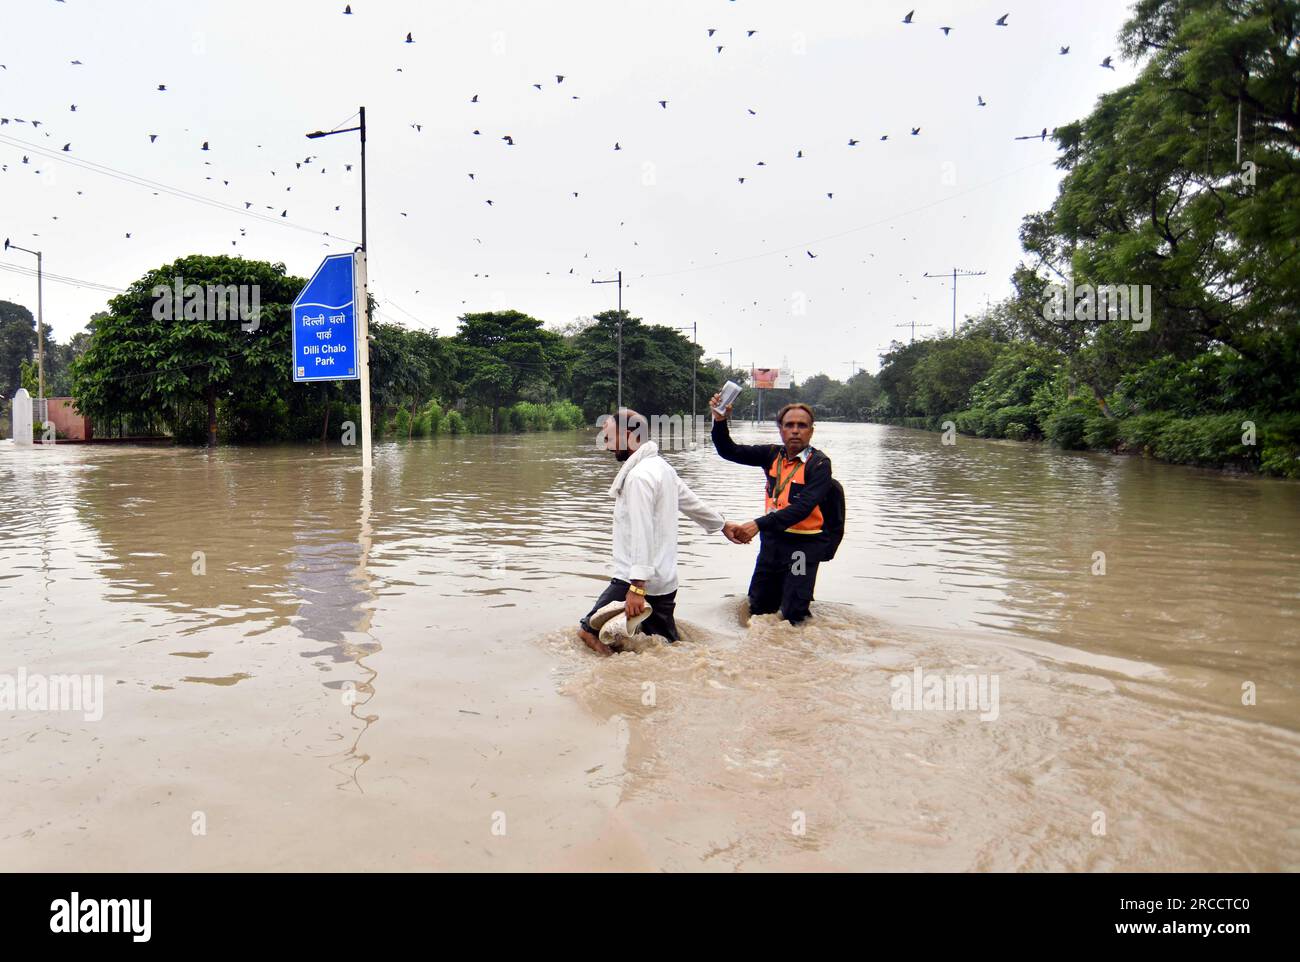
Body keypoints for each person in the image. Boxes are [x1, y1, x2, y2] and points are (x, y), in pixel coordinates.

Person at [578, 409, 748, 656]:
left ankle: (616, 676)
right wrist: (722, 524)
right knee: (663, 648)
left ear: (627, 435)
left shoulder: (638, 477)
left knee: (588, 633)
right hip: (665, 582)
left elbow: (642, 532)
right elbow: (690, 502)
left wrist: (636, 588)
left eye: (610, 438)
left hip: (633, 579)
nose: (608, 446)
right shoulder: (661, 468)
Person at [709, 394, 832, 625]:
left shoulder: (819, 464)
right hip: (772, 543)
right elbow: (728, 451)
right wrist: (720, 420)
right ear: (781, 429)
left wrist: (758, 524)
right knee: (758, 608)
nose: (795, 430)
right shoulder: (772, 455)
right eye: (789, 425)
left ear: (811, 431)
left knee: (794, 613)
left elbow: (803, 508)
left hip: (802, 548)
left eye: (802, 425)